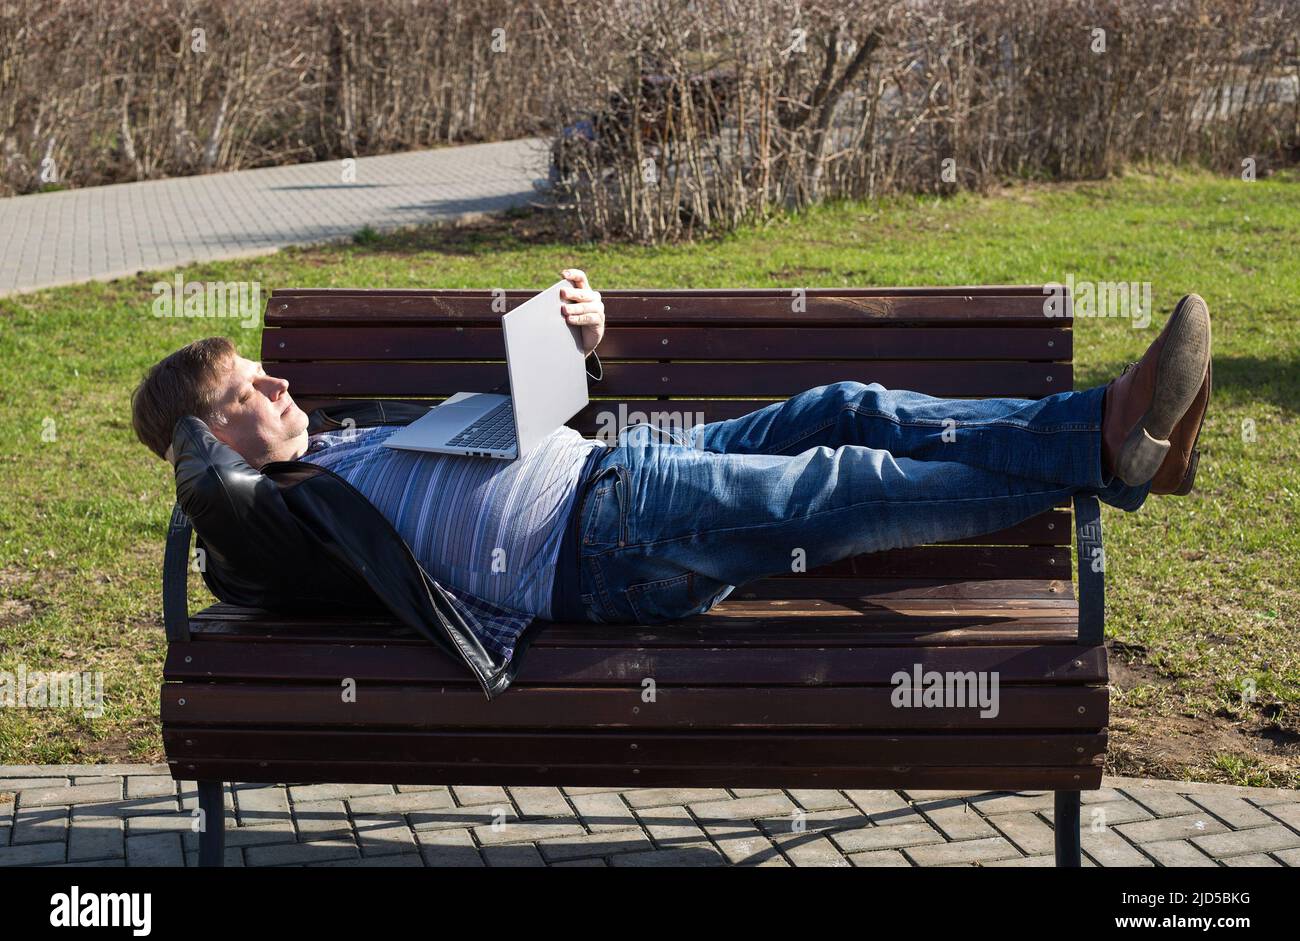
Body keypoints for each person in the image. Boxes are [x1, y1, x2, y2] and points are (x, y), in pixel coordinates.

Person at [131, 269, 1211, 646]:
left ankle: (1106, 432)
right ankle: (1107, 444)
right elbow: (214, 503)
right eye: (247, 393)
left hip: (621, 472)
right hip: (600, 541)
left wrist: (578, 350)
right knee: (843, 485)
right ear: (208, 439)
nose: (279, 386)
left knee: (846, 406)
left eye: (266, 373)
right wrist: (188, 422)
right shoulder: (275, 523)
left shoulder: (346, 435)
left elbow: (512, 428)